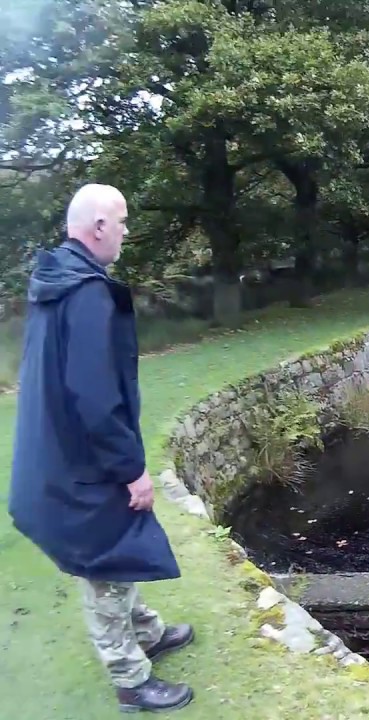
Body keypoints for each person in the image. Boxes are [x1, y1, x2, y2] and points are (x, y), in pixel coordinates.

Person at [8, 184, 196, 713]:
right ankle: (131, 679)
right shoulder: (86, 291)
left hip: (61, 456)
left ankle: (148, 630)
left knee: (119, 546)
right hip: (82, 462)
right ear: (97, 228)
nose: (126, 231)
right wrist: (132, 469)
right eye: (122, 221)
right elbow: (94, 396)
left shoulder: (58, 281)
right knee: (105, 562)